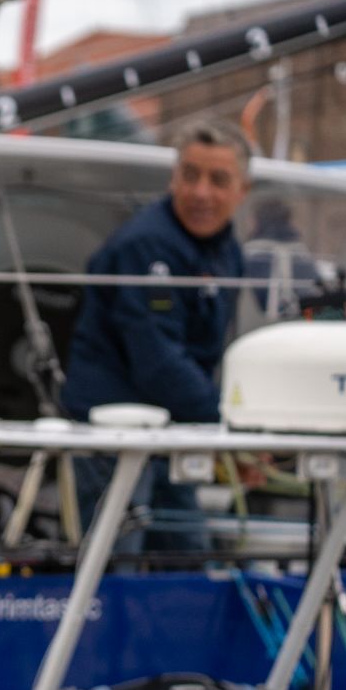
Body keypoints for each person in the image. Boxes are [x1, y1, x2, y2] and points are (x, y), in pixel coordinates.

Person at [61, 119, 251, 552]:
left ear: (243, 190)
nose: (201, 192)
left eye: (218, 180)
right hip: (115, 431)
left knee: (186, 547)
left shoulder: (228, 252)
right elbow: (157, 360)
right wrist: (228, 430)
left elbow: (214, 349)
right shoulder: (144, 246)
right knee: (117, 558)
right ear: (174, 178)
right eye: (190, 175)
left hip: (174, 426)